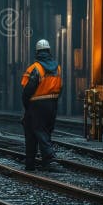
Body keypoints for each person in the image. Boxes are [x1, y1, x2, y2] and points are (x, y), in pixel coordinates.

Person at [20, 39, 62, 171]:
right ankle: (32, 163)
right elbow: (61, 87)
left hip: (36, 104)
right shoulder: (57, 68)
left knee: (36, 131)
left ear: (37, 52)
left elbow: (27, 91)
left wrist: (27, 108)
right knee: (44, 132)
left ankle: (49, 159)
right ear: (49, 51)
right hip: (52, 104)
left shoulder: (35, 68)